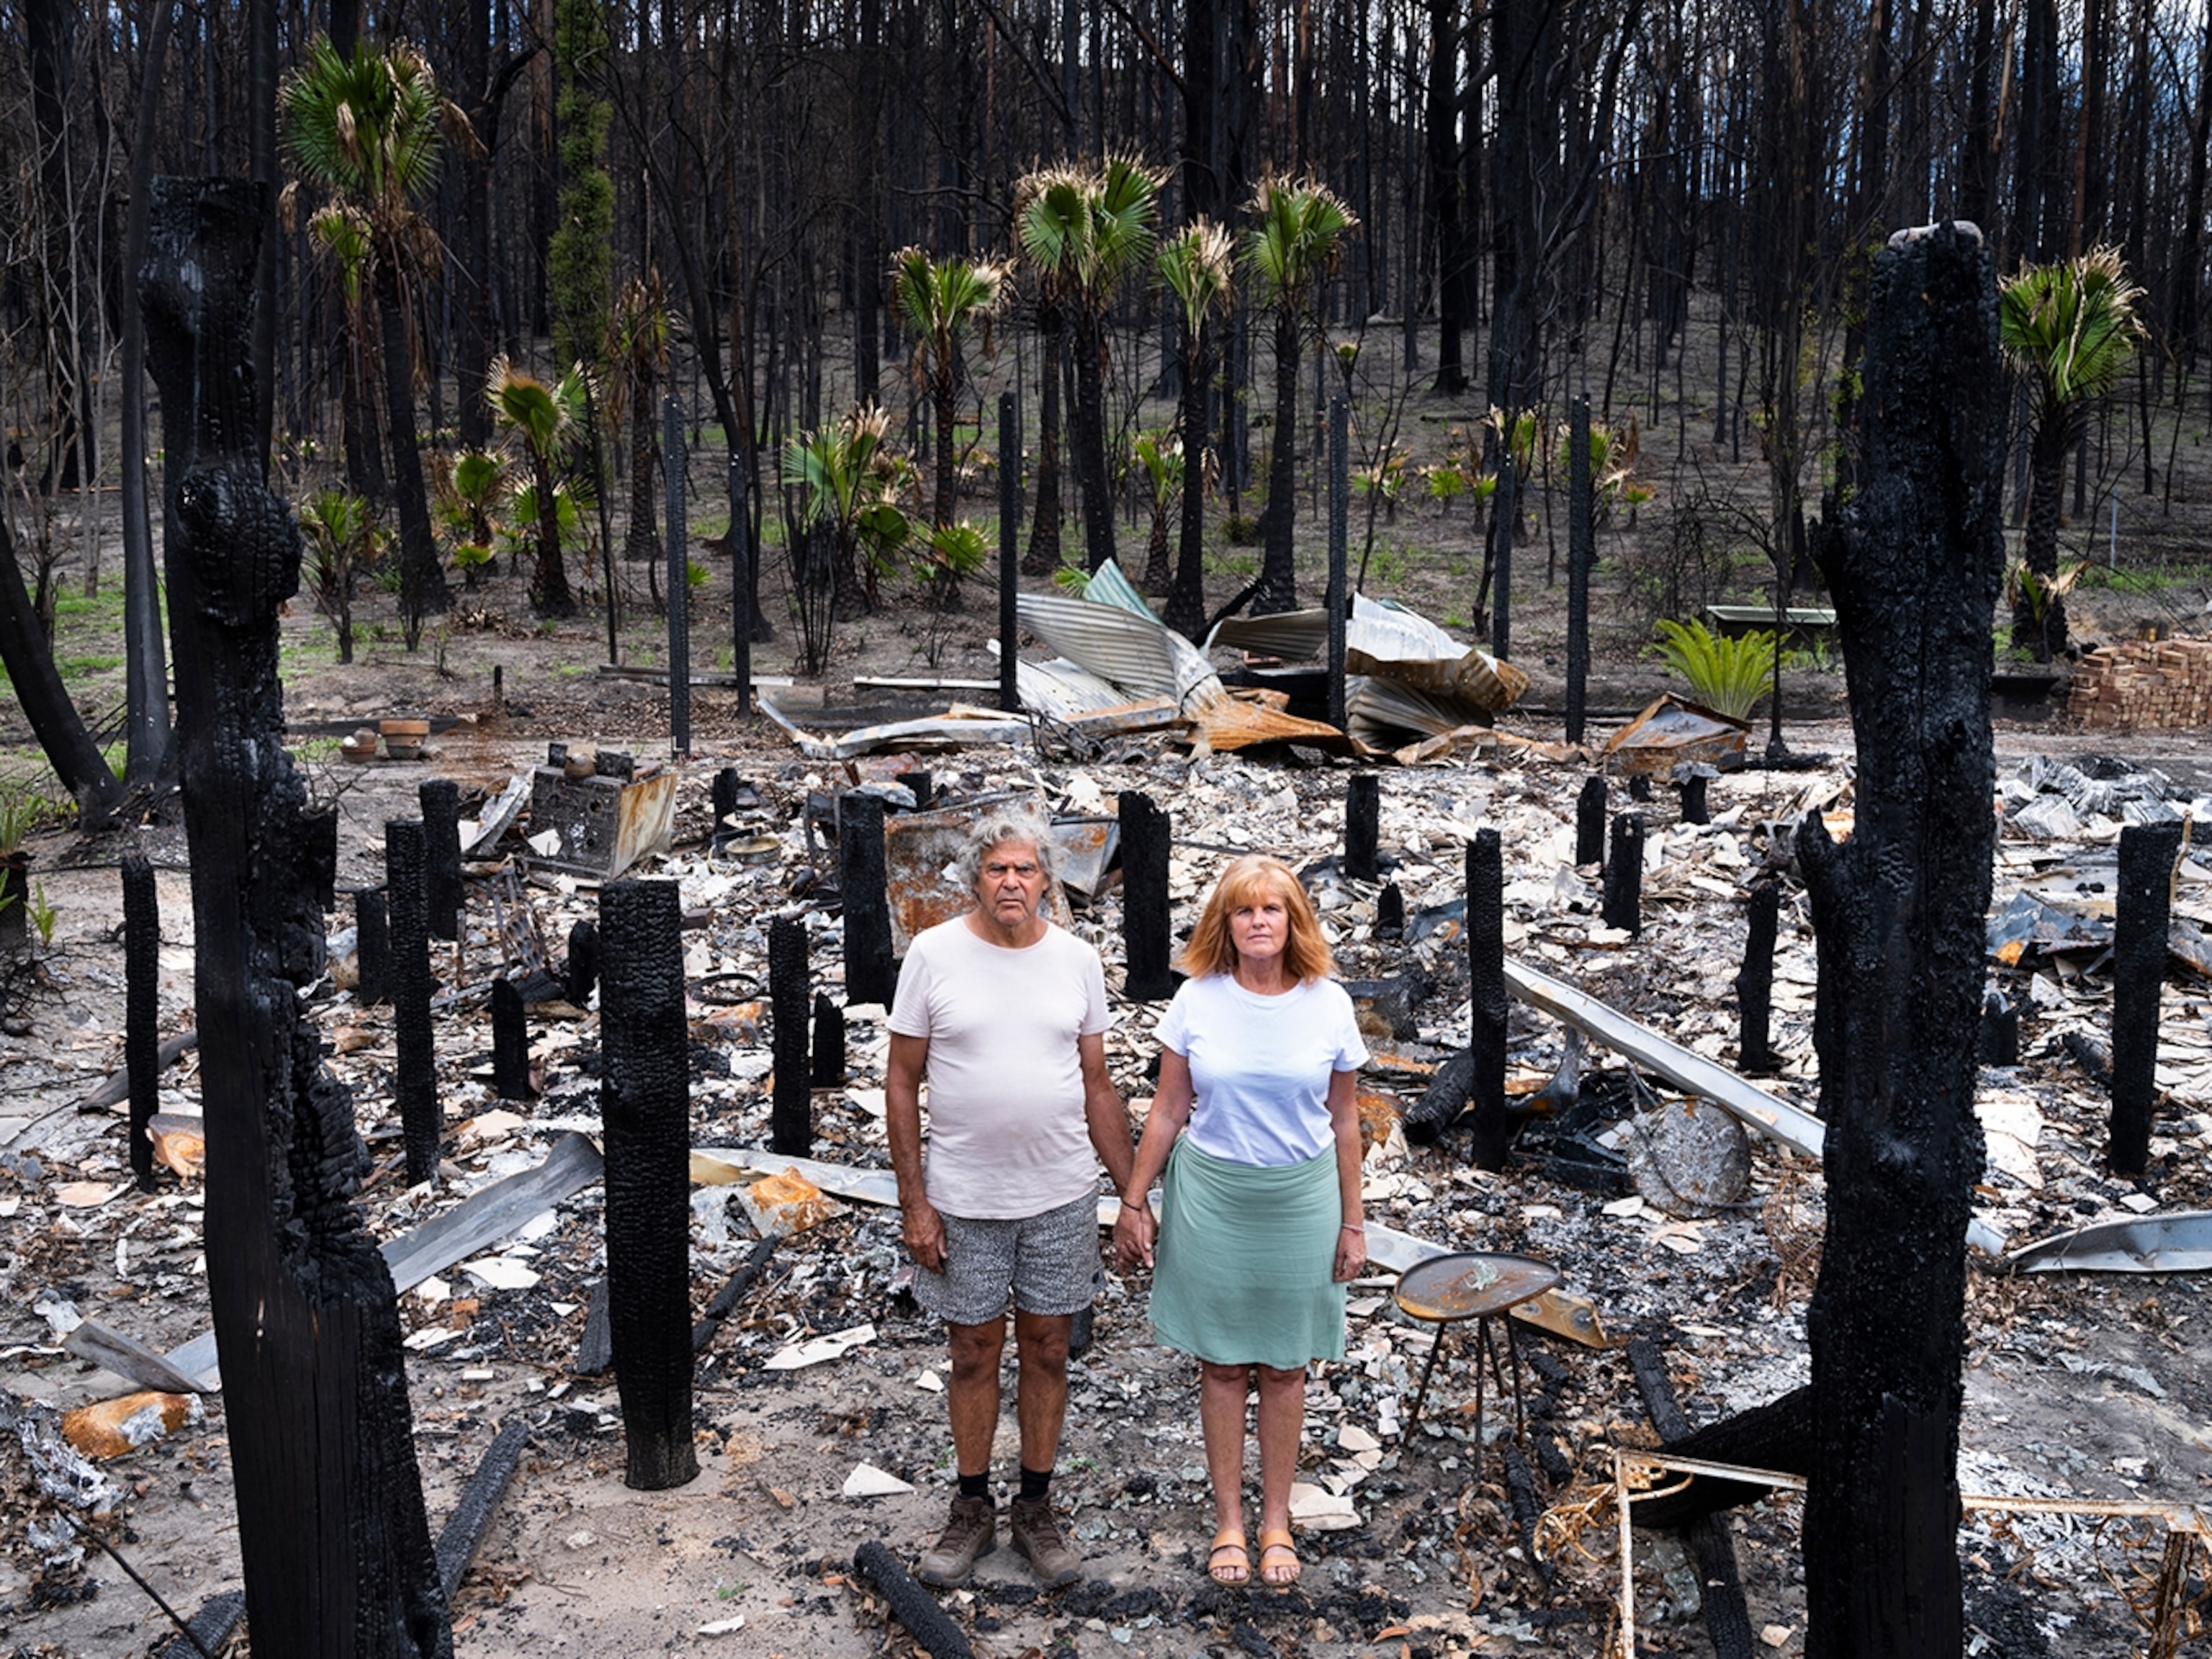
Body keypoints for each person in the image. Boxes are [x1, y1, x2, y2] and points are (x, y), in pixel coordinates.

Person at [888, 817, 1134, 1589]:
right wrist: (915, 1204)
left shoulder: (1077, 961)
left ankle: (1034, 1503)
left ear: (1045, 880)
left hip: (1059, 1193)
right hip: (964, 1197)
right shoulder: (933, 956)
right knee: (971, 1353)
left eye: (1026, 870)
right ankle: (970, 1506)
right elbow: (901, 1083)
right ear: (975, 878)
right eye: (997, 869)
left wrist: (1133, 1194)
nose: (1011, 883)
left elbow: (1097, 1084)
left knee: (1050, 1347)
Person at [1112, 853, 1369, 1589]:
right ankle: (1230, 1518)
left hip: (1301, 1199)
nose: (1259, 922)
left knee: (1287, 1365)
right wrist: (1135, 1201)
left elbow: (1345, 1119)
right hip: (1214, 1197)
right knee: (1223, 1364)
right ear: (1225, 923)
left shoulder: (1329, 1003)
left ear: (1294, 922)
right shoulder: (1199, 998)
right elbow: (1167, 1110)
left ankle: (1276, 1519)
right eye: (1244, 910)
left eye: (1273, 909)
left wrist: (1354, 1223)